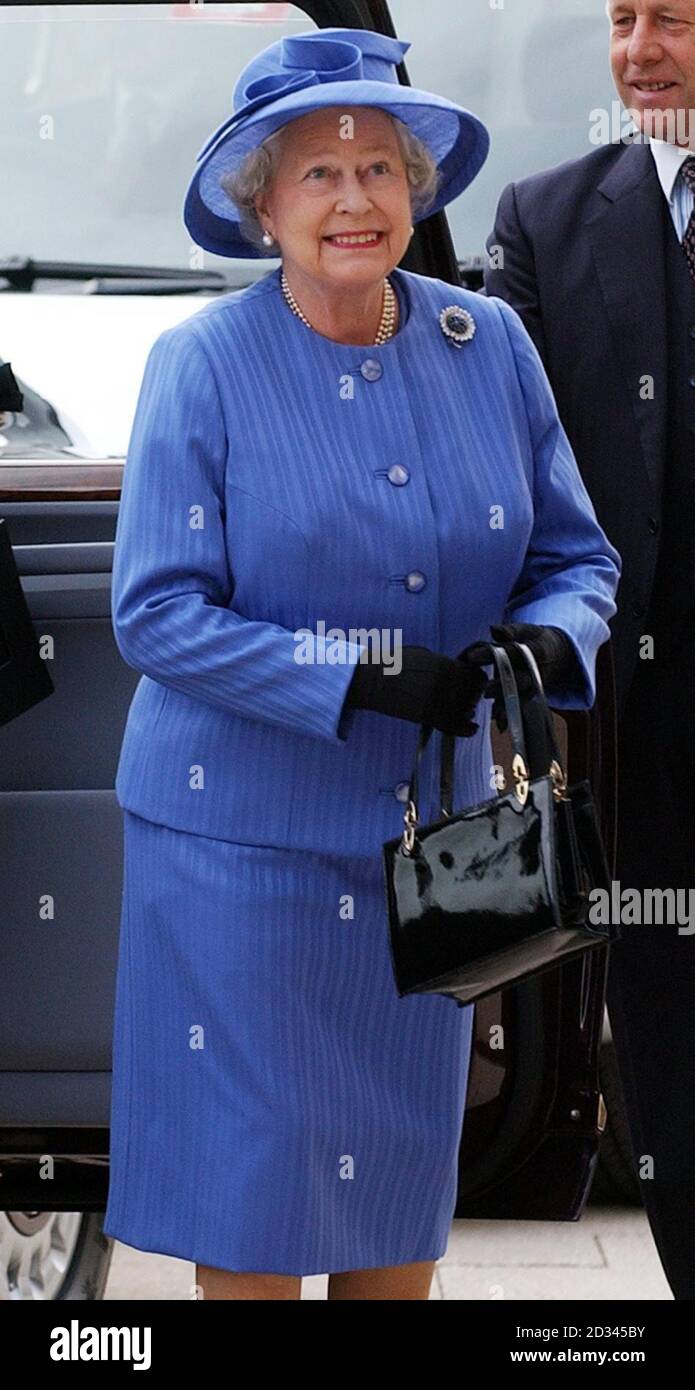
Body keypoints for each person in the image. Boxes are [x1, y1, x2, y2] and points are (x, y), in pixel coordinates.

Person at [102, 27, 620, 1301]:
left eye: (379, 169)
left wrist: (549, 637)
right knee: (262, 1204)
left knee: (397, 1198)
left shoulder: (484, 342)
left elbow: (577, 556)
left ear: (415, 192)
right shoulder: (200, 367)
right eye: (319, 175)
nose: (353, 200)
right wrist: (354, 674)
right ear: (261, 204)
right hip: (240, 856)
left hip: (427, 861)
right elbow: (155, 612)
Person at [485, 0, 695, 1301]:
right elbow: (484, 452)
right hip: (636, 716)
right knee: (665, 1012)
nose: (634, 50)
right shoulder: (545, 216)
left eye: (667, 18)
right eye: (619, 20)